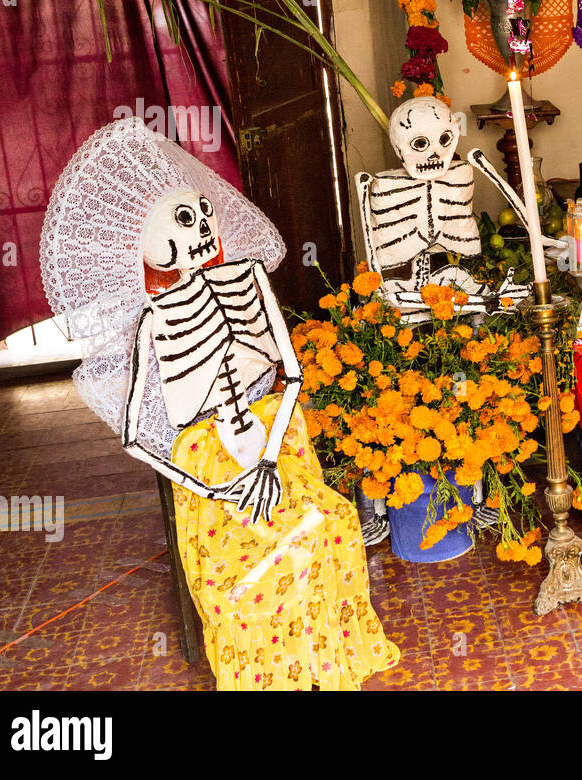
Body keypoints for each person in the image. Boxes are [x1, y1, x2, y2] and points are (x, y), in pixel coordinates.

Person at [40, 117, 399, 690]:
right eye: (185, 220)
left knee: (331, 524)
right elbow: (135, 435)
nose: (203, 227)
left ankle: (325, 665)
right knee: (248, 574)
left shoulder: (250, 277)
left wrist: (267, 459)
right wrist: (215, 487)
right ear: (144, 244)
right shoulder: (150, 321)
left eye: (204, 213)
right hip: (208, 463)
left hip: (275, 439)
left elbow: (293, 374)